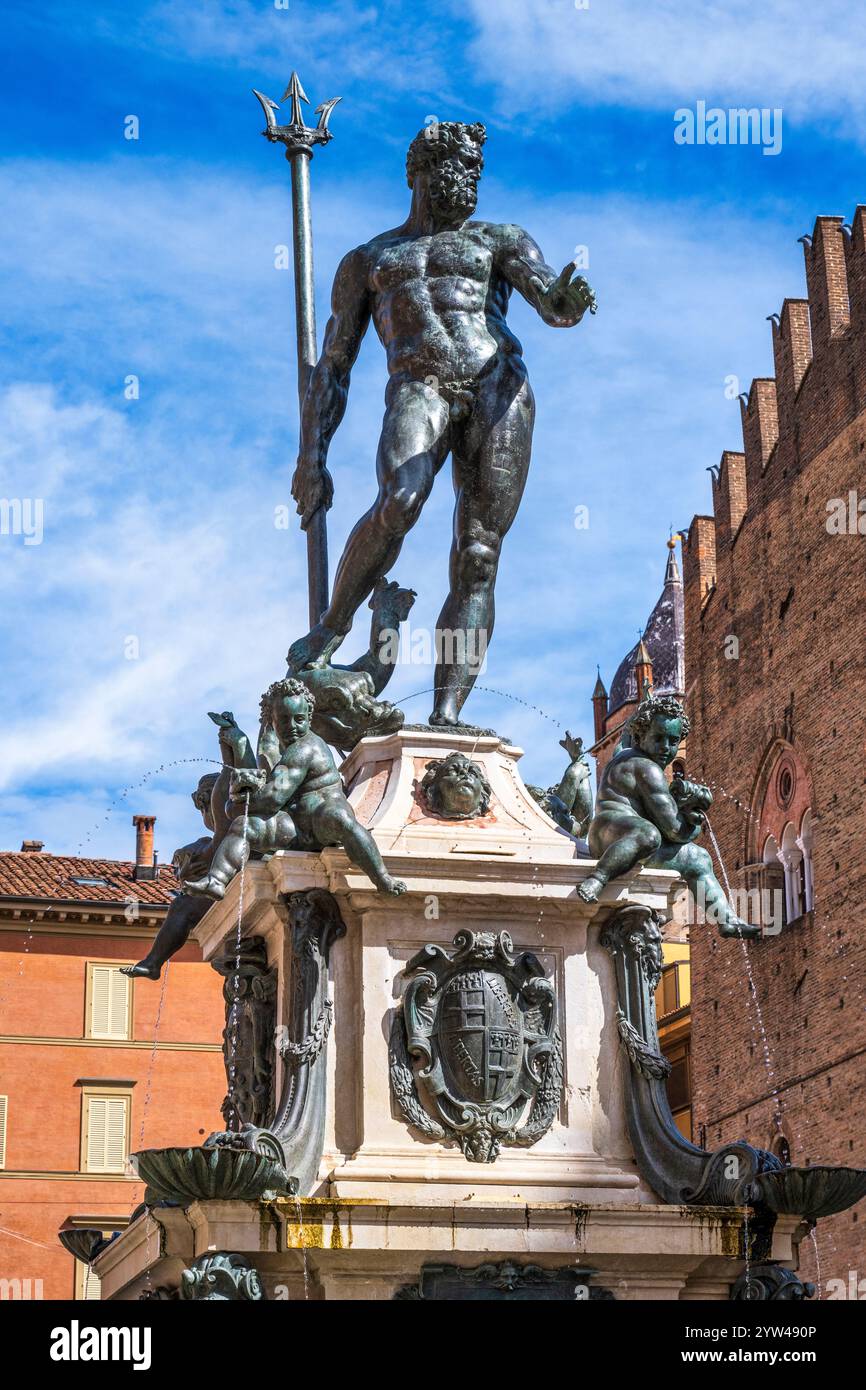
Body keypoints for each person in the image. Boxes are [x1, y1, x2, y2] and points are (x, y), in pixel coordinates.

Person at [577, 694, 759, 938]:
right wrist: (693, 819)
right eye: (659, 738)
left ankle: (726, 919)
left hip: (618, 840)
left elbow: (668, 824)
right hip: (613, 840)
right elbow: (673, 829)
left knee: (698, 858)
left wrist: (686, 811)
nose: (666, 747)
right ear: (641, 736)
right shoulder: (646, 767)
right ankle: (598, 878)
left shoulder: (626, 754)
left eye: (673, 741)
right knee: (649, 834)